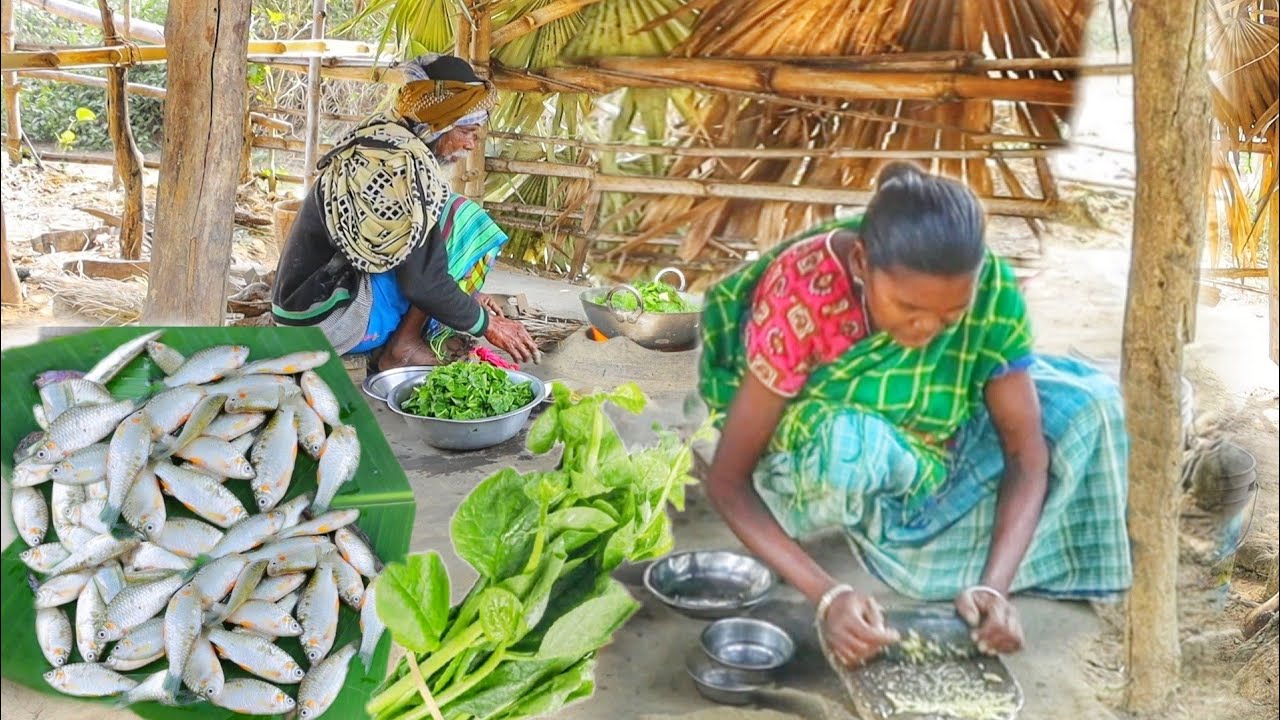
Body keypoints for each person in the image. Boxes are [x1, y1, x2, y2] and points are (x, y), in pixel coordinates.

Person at [698, 162, 1132, 669]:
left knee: (1095, 409)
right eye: (907, 307)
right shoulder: (802, 295)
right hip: (825, 442)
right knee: (850, 445)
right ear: (861, 262)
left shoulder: (991, 290)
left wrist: (993, 587)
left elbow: (1026, 456)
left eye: (950, 316)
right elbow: (727, 481)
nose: (928, 328)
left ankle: (963, 554)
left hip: (936, 434)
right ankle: (881, 526)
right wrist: (827, 595)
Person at [271, 54, 539, 369]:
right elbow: (423, 283)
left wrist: (468, 300)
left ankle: (409, 333)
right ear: (440, 123)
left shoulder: (384, 139)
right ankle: (402, 348)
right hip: (329, 323)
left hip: (298, 310)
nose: (471, 145)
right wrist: (488, 324)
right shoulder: (408, 172)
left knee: (438, 229)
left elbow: (402, 257)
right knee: (460, 218)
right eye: (468, 131)